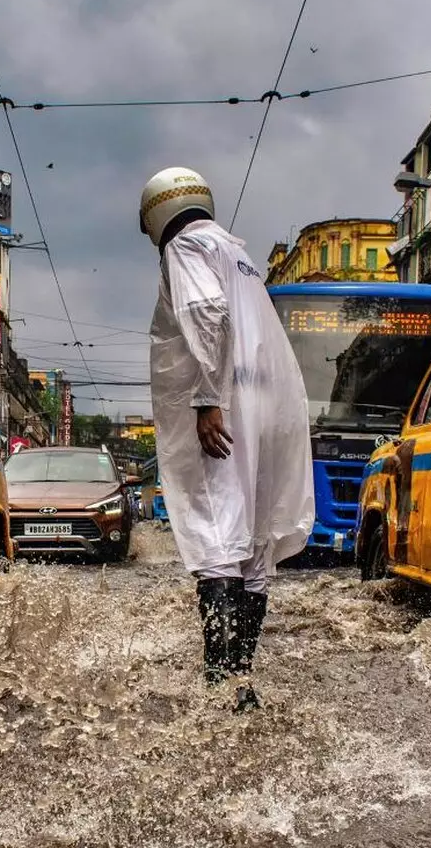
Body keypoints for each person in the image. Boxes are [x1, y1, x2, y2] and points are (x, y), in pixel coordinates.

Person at [139, 167, 314, 713]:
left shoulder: (188, 246)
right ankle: (242, 677)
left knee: (218, 539)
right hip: (271, 412)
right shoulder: (241, 257)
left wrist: (207, 400)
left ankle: (219, 681)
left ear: (158, 215)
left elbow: (204, 313)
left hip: (229, 409)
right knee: (255, 545)